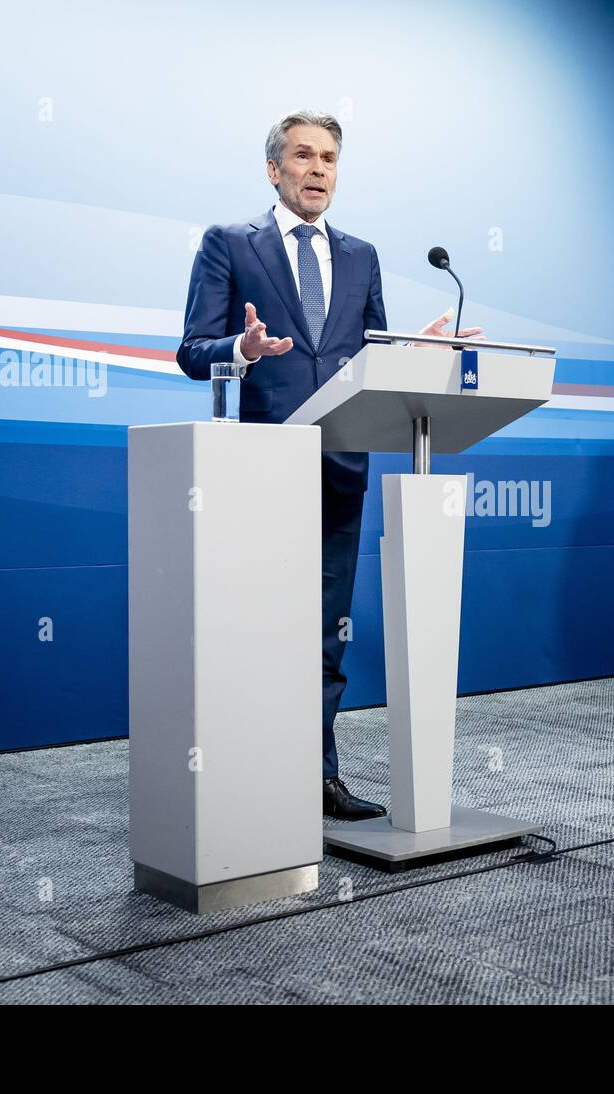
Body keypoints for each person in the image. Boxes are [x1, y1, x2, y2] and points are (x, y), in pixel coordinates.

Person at [176, 111, 480, 817]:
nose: (319, 169)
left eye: (331, 158)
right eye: (304, 156)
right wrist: (243, 350)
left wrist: (417, 352)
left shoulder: (362, 255)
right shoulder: (229, 244)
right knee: (257, 626)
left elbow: (369, 358)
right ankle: (250, 782)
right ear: (273, 169)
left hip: (339, 465)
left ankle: (318, 779)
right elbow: (193, 350)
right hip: (256, 463)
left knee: (324, 630)